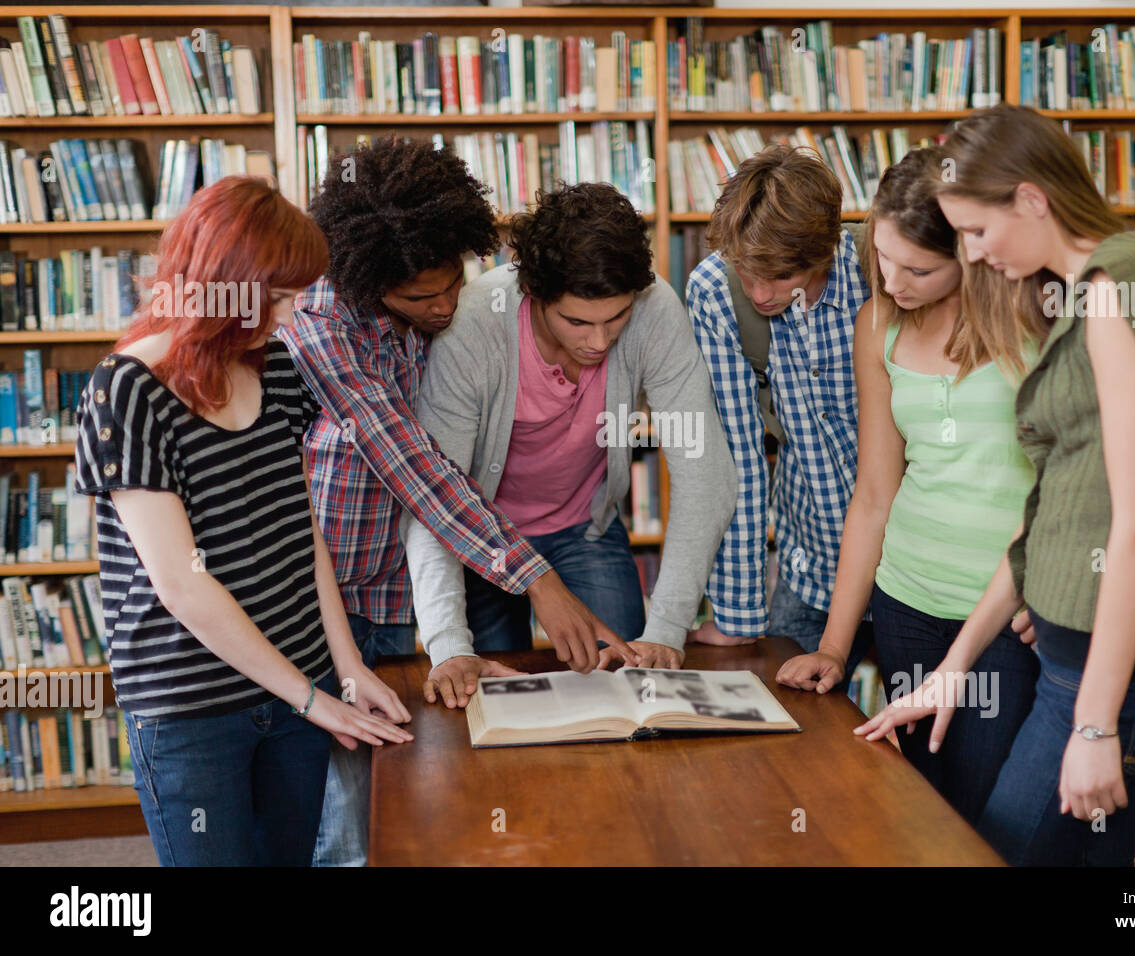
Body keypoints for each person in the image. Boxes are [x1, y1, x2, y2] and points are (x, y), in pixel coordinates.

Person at [859, 104, 1135, 866]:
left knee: (997, 849)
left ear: (1030, 199)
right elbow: (1050, 507)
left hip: (1101, 670)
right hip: (1075, 654)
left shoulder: (1120, 284)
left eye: (978, 233)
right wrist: (953, 670)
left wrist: (1092, 727)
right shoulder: (1092, 289)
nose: (977, 257)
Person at [277, 138, 637, 867]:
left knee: (398, 802)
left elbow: (436, 488)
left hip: (392, 596)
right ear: (368, 277)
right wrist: (539, 580)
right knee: (339, 824)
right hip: (322, 603)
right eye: (421, 298)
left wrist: (445, 637)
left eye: (452, 283)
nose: (445, 307)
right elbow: (420, 471)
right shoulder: (322, 327)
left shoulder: (427, 318)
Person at [73, 176, 413, 867]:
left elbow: (300, 532)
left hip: (299, 685)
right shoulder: (126, 390)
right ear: (227, 283)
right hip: (192, 705)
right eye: (279, 297)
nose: (290, 318)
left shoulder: (275, 366)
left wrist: (345, 669)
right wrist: (312, 697)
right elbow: (181, 585)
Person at [775, 147, 1044, 826]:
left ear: (972, 253)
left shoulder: (1034, 318)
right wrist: (836, 646)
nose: (893, 282)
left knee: (987, 814)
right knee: (919, 806)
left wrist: (1058, 579)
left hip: (1002, 614)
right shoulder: (878, 324)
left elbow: (1074, 479)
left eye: (918, 269)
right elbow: (873, 493)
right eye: (881, 260)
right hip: (907, 603)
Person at [403, 182, 737, 705]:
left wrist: (668, 629)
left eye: (616, 319)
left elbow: (704, 473)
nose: (599, 342)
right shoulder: (473, 324)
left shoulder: (655, 310)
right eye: (577, 321)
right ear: (533, 293)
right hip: (483, 539)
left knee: (626, 696)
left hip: (585, 526)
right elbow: (432, 494)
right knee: (494, 703)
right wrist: (446, 645)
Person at [686, 145, 872, 682]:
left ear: (825, 250)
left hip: (915, 568)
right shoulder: (716, 292)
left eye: (781, 274)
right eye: (747, 270)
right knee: (791, 734)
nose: (760, 293)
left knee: (927, 742)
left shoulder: (881, 270)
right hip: (809, 563)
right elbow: (739, 458)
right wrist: (739, 615)